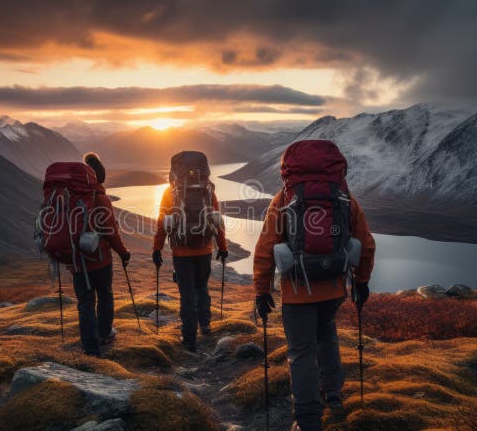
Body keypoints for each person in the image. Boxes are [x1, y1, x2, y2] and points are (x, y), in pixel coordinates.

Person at [252, 140, 375, 431]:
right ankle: (332, 394)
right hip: (333, 288)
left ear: (288, 170)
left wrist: (261, 290)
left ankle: (307, 419)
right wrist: (362, 282)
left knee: (302, 352)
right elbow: (366, 244)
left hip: (296, 292)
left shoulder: (283, 199)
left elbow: (265, 248)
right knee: (327, 335)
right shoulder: (345, 198)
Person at [153, 151, 227, 352]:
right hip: (204, 250)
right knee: (202, 288)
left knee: (186, 294)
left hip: (181, 252)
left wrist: (157, 249)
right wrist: (223, 247)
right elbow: (217, 221)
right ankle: (206, 326)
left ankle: (189, 339)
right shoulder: (208, 191)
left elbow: (162, 223)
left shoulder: (171, 192)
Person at [71, 153, 129, 356]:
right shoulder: (100, 198)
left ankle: (89, 346)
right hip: (100, 260)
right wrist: (123, 252)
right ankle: (104, 334)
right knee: (105, 296)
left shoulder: (70, 195)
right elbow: (110, 231)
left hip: (77, 261)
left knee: (85, 303)